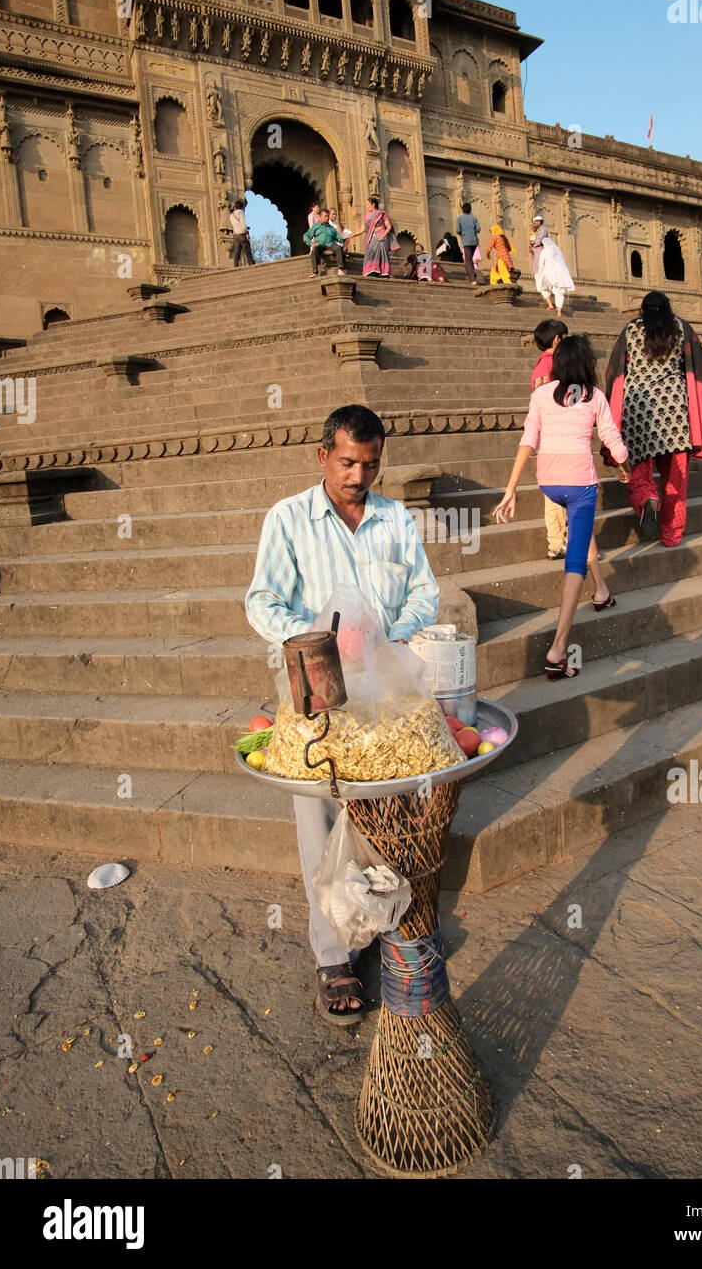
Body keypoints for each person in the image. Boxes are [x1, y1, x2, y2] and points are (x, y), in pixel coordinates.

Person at [245, 405, 440, 1024]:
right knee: (319, 823)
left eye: (372, 463)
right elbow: (261, 600)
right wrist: (315, 641)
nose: (360, 476)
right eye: (349, 462)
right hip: (317, 701)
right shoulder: (289, 519)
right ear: (323, 456)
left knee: (383, 816)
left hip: (385, 695)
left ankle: (381, 922)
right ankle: (332, 956)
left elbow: (424, 594)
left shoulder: (394, 519)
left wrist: (387, 638)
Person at [492, 335, 629, 678]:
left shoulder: (540, 395)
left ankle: (601, 590)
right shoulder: (595, 396)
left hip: (549, 483)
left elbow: (528, 439)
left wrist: (510, 489)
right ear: (586, 364)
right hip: (580, 485)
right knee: (574, 565)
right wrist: (624, 467)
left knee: (581, 531)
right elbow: (612, 440)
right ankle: (558, 649)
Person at [601, 290, 702, 547]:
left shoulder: (631, 330)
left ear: (643, 309)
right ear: (668, 307)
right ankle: (672, 533)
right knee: (676, 477)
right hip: (673, 408)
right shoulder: (682, 328)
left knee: (639, 469)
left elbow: (615, 370)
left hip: (638, 406)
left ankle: (646, 499)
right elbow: (700, 368)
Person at [530, 320, 615, 608]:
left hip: (554, 466)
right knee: (575, 537)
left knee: (578, 522)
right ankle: (559, 544)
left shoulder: (542, 375)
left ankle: (600, 588)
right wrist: (624, 465)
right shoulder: (561, 380)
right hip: (571, 469)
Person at [535, 236, 575, 317]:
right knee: (559, 292)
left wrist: (539, 274)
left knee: (541, 286)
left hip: (549, 273)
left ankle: (550, 304)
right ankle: (559, 311)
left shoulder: (545, 252)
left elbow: (541, 264)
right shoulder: (559, 252)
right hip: (561, 274)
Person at [361, 194, 398, 277]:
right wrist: (351, 236)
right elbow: (362, 229)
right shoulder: (366, 216)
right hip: (371, 236)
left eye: (368, 204)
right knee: (370, 250)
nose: (367, 206)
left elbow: (389, 227)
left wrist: (383, 236)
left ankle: (384, 271)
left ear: (373, 204)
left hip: (382, 235)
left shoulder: (382, 213)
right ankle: (372, 270)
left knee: (381, 248)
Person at [303, 208, 346, 277]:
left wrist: (344, 239)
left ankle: (340, 269)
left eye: (328, 216)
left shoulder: (331, 228)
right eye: (325, 216)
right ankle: (315, 272)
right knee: (314, 250)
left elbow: (338, 238)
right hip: (320, 244)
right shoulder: (316, 226)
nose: (327, 218)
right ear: (320, 217)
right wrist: (311, 243)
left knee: (338, 247)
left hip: (330, 243)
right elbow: (305, 236)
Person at [454, 202, 481, 284]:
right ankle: (473, 273)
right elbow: (478, 229)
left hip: (466, 241)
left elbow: (458, 230)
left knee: (468, 260)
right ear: (470, 210)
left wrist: (463, 233)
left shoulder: (459, 219)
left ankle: (473, 279)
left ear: (462, 210)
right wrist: (473, 232)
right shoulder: (474, 218)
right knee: (470, 258)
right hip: (475, 241)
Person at [229, 198, 254, 267]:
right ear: (241, 207)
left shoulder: (231, 215)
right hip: (242, 234)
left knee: (237, 252)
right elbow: (243, 223)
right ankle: (251, 264)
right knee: (247, 250)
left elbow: (235, 224)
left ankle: (236, 266)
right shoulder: (240, 212)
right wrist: (246, 232)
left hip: (235, 235)